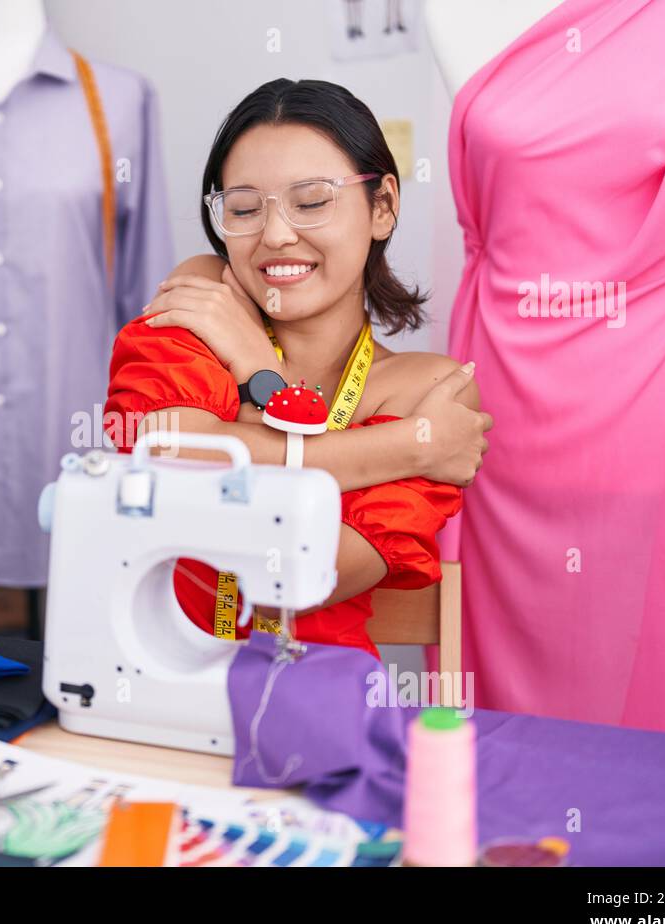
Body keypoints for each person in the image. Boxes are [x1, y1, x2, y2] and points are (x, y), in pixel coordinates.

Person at [104, 78, 491, 657]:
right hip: (151, 678)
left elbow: (296, 572)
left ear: (382, 206)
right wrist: (408, 447)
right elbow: (161, 455)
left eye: (311, 202)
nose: (277, 235)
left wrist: (259, 382)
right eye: (243, 208)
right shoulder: (204, 298)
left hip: (308, 711)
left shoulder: (434, 390)